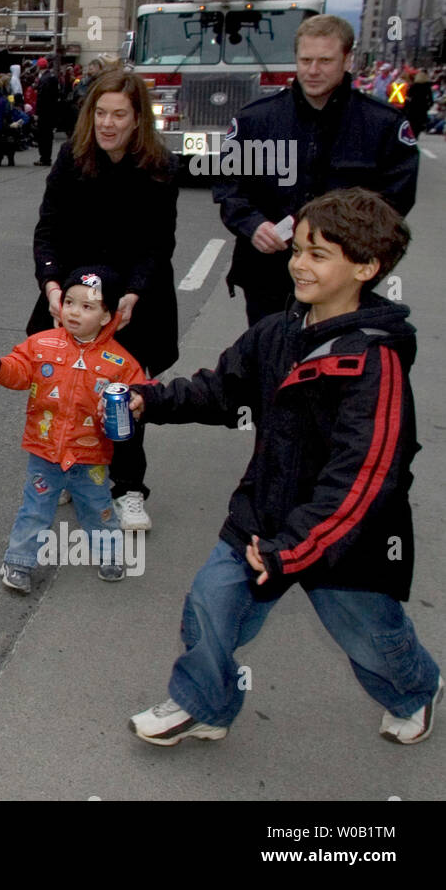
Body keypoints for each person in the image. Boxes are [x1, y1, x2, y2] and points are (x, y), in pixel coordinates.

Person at [128, 188, 442, 747]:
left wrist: (294, 549)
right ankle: (206, 704)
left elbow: (364, 478)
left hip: (346, 539)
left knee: (370, 636)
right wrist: (149, 400)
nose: (298, 263)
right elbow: (222, 390)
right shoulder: (279, 331)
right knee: (210, 605)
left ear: (367, 268)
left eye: (319, 254)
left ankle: (415, 688)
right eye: (297, 249)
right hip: (263, 514)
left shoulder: (375, 363)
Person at [29, 68, 178, 533]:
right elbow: (48, 230)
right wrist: (52, 287)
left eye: (119, 114)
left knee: (122, 396)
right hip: (72, 294)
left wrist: (132, 294)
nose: (108, 123)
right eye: (100, 113)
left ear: (138, 121)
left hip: (133, 297)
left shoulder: (160, 167)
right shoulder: (72, 160)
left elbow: (158, 245)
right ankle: (74, 468)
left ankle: (128, 488)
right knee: (65, 390)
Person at [214, 15, 418, 327]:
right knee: (269, 366)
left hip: (344, 280)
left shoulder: (384, 125)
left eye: (325, 60)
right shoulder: (255, 121)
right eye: (305, 59)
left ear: (347, 60)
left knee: (333, 368)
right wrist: (253, 225)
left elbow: (393, 204)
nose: (312, 70)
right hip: (268, 277)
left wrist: (343, 246)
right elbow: (229, 188)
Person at [0, 267, 146, 592]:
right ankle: (18, 563)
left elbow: (138, 390)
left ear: (107, 314)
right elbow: (20, 371)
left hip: (91, 454)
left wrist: (137, 402)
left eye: (87, 306)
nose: (74, 312)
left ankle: (110, 554)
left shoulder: (120, 361)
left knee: (99, 509)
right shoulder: (42, 344)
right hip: (45, 450)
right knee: (35, 509)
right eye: (69, 302)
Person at [32, 58, 60, 165]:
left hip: (44, 113)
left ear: (39, 67)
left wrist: (37, 113)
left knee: (43, 136)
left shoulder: (43, 80)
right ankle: (47, 157)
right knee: (48, 136)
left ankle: (44, 158)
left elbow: (41, 98)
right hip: (52, 112)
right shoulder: (53, 78)